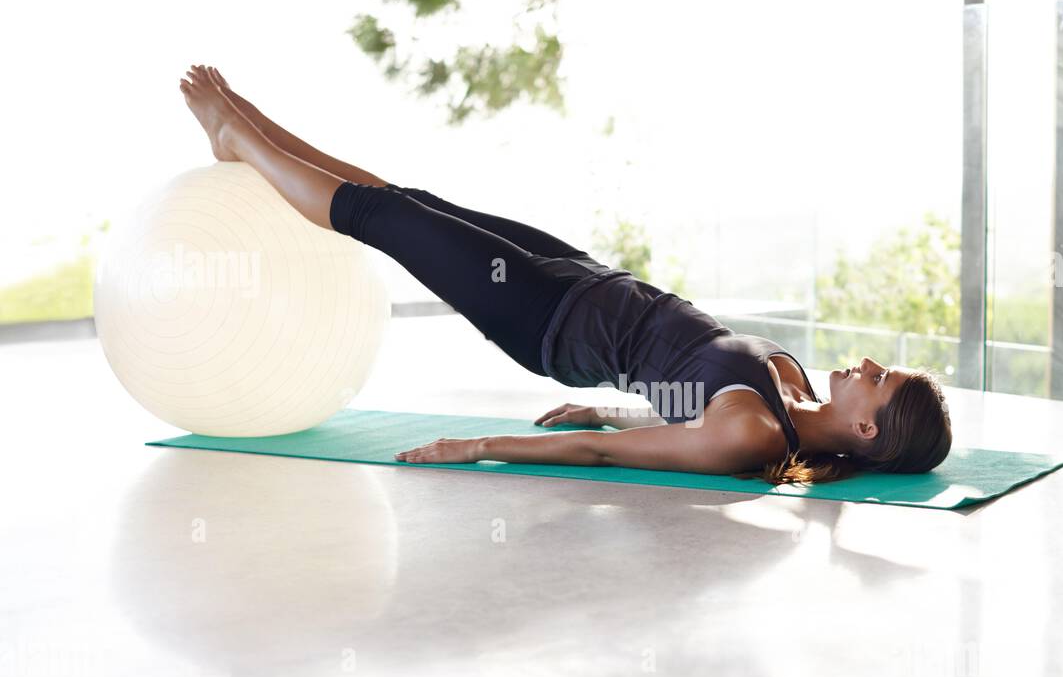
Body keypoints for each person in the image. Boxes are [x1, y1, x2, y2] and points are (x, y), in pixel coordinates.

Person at [179, 65, 951, 483]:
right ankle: (247, 126)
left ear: (865, 428)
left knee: (385, 222)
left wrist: (482, 446)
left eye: (879, 381)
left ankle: (238, 136)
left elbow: (613, 457)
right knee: (410, 202)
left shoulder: (752, 431)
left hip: (547, 323)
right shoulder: (787, 381)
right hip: (586, 281)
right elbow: (670, 412)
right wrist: (605, 414)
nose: (870, 366)